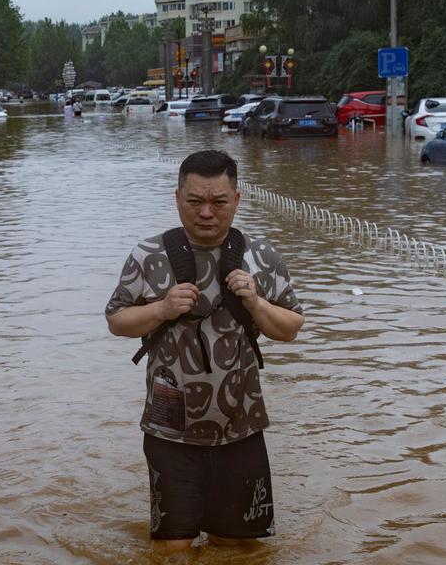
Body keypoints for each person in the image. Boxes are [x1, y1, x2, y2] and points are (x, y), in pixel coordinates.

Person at [105, 150, 304, 555]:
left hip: (242, 425)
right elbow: (116, 321)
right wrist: (161, 309)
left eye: (219, 201)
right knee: (171, 549)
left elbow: (291, 329)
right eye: (195, 201)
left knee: (234, 547)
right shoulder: (148, 255)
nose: (207, 213)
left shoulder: (262, 258)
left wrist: (255, 303)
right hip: (169, 429)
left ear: (237, 199)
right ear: (177, 198)